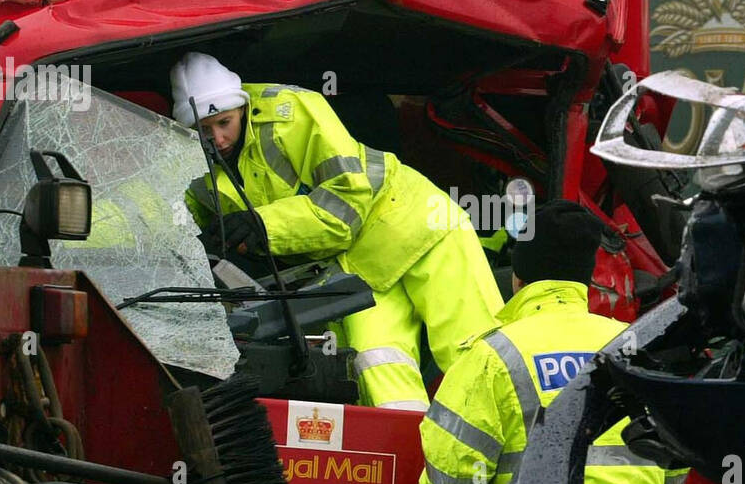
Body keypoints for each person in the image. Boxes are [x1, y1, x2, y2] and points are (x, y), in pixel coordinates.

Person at [170, 51, 503, 411]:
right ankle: (410, 461)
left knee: (475, 354)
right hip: (360, 272)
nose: (217, 138)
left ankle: (518, 456)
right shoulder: (194, 171)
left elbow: (347, 205)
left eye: (224, 122)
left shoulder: (292, 112)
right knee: (378, 371)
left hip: (421, 229)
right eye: (204, 130)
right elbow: (168, 217)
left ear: (243, 106)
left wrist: (264, 225)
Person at [412, 199, 689, 484]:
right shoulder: (640, 350)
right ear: (586, 275)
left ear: (518, 277)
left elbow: (453, 483)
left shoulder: (495, 356)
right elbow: (676, 469)